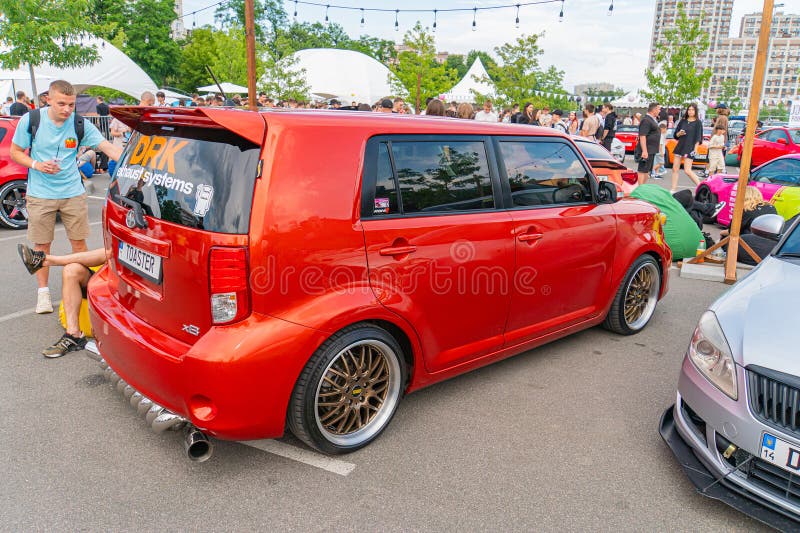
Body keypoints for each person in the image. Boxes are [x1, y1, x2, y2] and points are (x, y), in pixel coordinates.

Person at [8, 80, 123, 314]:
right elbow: (15, 153)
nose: (67, 109)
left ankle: (77, 290)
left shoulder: (79, 123)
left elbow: (108, 148)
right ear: (48, 100)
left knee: (79, 244)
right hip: (40, 194)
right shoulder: (31, 120)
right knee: (41, 245)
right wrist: (37, 165)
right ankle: (43, 293)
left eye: (71, 104)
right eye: (62, 103)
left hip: (73, 192)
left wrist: (133, 161)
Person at [18, 244, 108, 357]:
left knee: (109, 251)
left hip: (125, 289)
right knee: (71, 270)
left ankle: (46, 260)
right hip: (109, 281)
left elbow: (107, 254)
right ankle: (73, 335)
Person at [670, 103, 704, 192]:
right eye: (689, 109)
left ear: (695, 111)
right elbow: (675, 135)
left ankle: (701, 186)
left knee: (687, 170)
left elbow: (698, 137)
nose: (690, 111)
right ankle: (673, 189)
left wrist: (695, 149)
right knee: (675, 168)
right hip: (680, 146)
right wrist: (679, 133)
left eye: (692, 110)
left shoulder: (698, 123)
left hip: (690, 147)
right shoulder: (683, 121)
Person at [637, 102, 662, 185]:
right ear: (654, 110)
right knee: (642, 170)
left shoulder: (652, 119)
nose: (659, 111)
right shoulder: (646, 120)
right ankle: (640, 189)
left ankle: (643, 188)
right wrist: (644, 151)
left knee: (647, 171)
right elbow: (642, 136)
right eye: (658, 109)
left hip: (651, 150)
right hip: (647, 150)